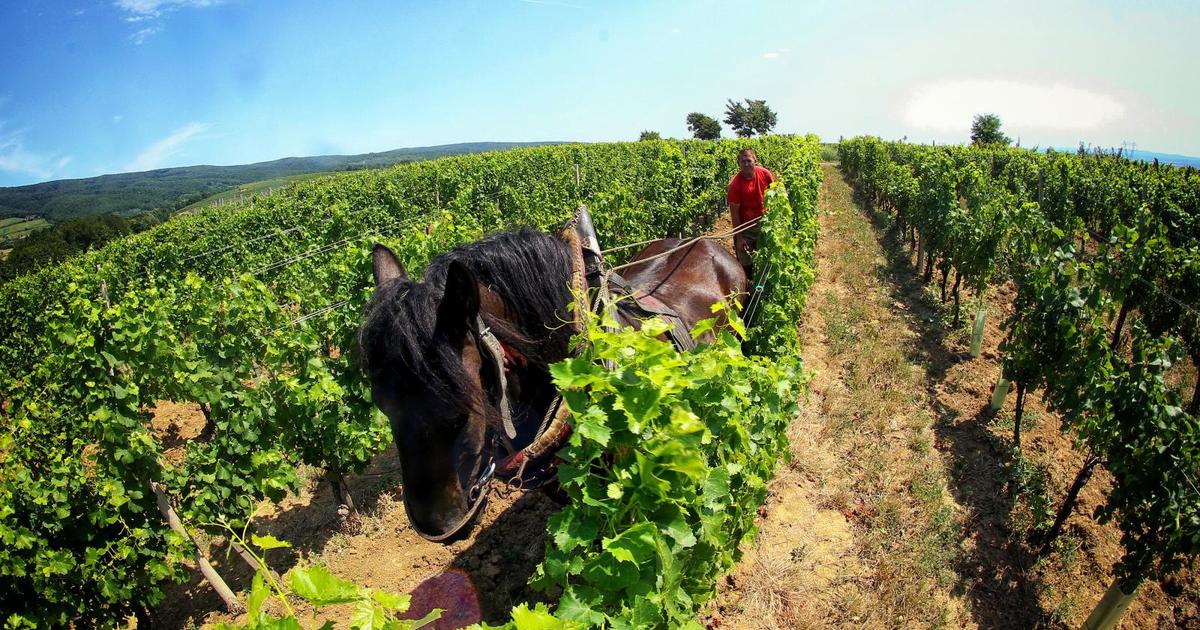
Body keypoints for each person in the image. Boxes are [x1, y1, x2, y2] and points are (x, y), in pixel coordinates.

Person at [727, 147, 776, 276]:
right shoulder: (734, 186)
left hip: (765, 224)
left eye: (749, 160)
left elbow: (776, 195)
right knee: (745, 260)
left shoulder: (765, 174)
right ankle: (748, 286)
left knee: (765, 257)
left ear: (755, 160)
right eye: (743, 161)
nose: (746, 164)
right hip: (745, 228)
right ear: (738, 164)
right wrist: (740, 238)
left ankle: (763, 283)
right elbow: (735, 215)